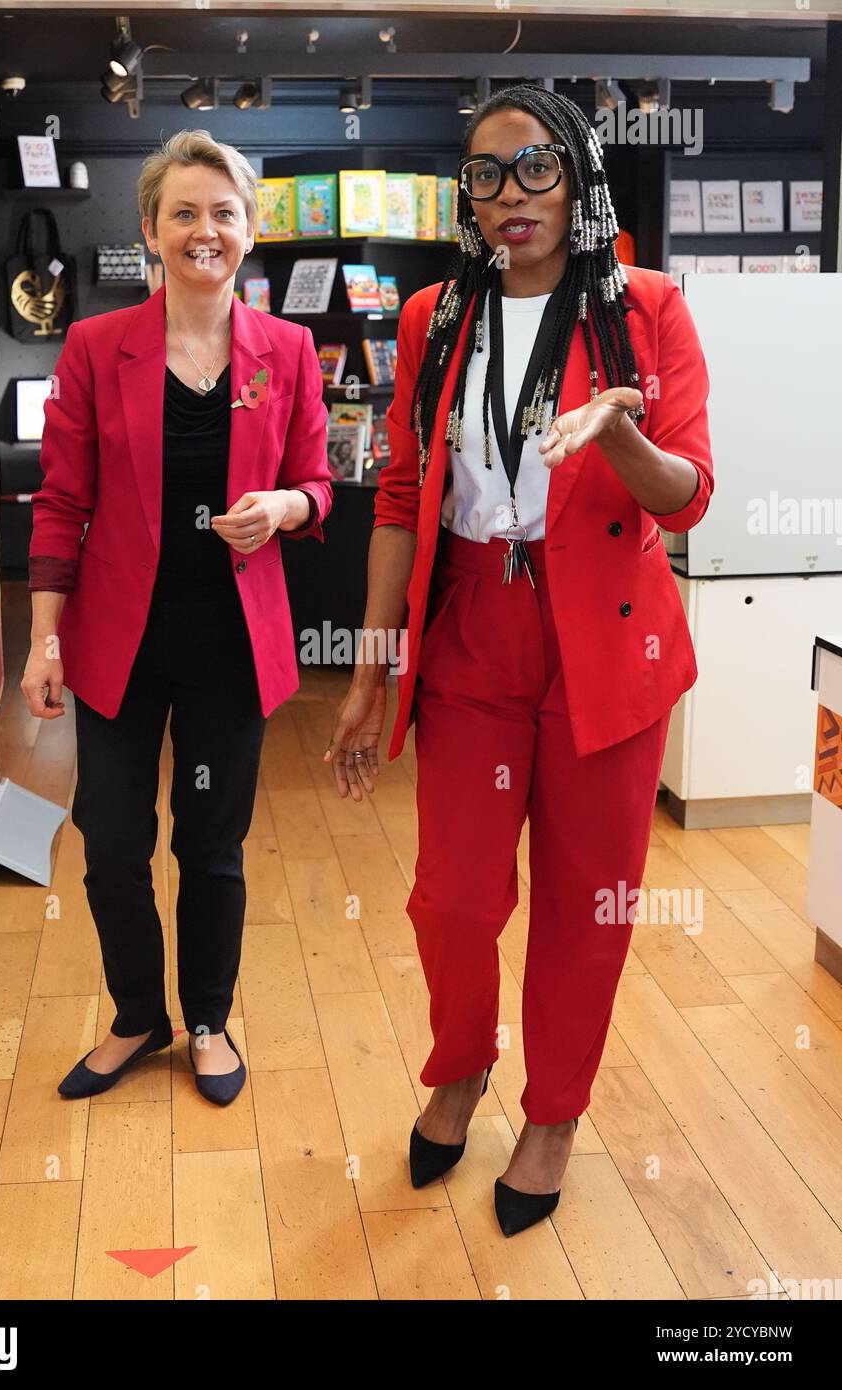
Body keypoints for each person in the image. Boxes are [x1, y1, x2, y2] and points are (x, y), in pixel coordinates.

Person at [324, 85, 713, 1236]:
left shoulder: (645, 307)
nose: (510, 196)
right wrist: (367, 667)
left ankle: (552, 1114)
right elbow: (401, 496)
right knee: (452, 893)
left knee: (587, 906)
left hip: (605, 637)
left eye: (535, 168)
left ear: (578, 179)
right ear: (466, 194)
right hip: (473, 632)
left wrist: (618, 431)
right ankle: (460, 1065)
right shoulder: (431, 316)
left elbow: (687, 496)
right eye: (486, 174)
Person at [21, 129, 332, 1105]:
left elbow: (317, 482)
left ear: (250, 230)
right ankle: (135, 1015)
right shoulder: (94, 346)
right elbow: (62, 501)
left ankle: (206, 1017)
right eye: (184, 213)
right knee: (111, 838)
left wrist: (283, 509)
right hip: (119, 639)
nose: (205, 230)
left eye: (224, 213)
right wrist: (43, 637)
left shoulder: (285, 350)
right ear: (150, 229)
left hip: (231, 644)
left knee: (211, 841)